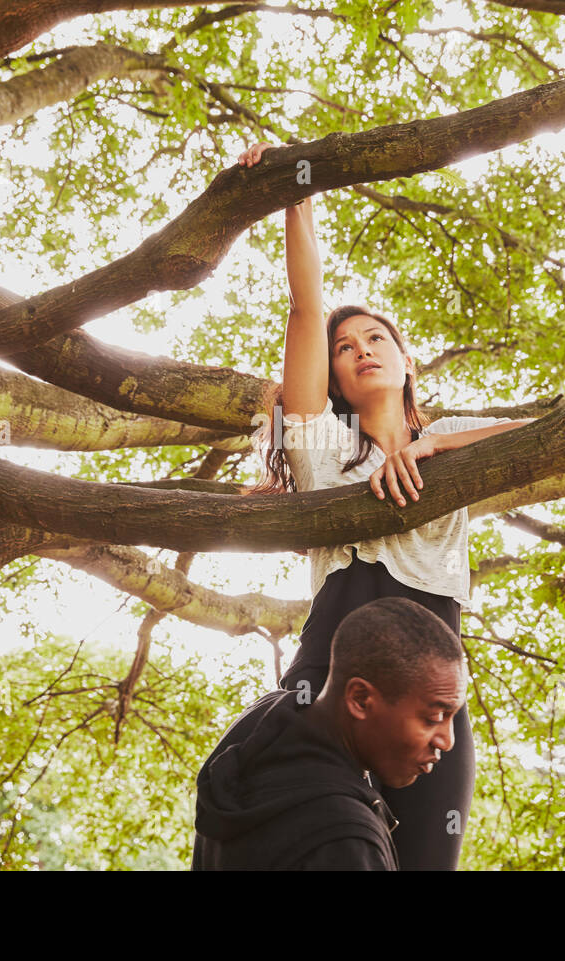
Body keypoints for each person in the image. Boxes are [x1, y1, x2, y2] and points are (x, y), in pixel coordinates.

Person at [236, 140, 537, 869]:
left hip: (428, 677)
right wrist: (292, 192)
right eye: (346, 348)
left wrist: (435, 449)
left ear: (405, 363)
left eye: (377, 338)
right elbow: (306, 308)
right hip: (327, 674)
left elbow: (552, 433)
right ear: (333, 380)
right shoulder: (318, 452)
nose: (361, 348)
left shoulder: (455, 439)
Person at [193, 597, 469, 870]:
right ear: (360, 699)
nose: (447, 741)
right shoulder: (345, 841)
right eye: (434, 717)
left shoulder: (251, 750)